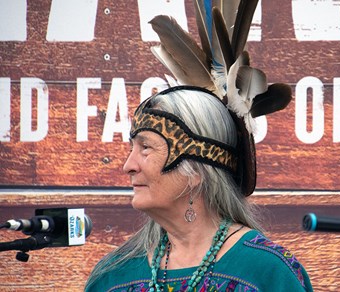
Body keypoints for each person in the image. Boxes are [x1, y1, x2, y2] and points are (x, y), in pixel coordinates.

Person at [86, 1, 313, 291]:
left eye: (146, 148)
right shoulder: (112, 277)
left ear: (196, 171)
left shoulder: (267, 274)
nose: (128, 165)